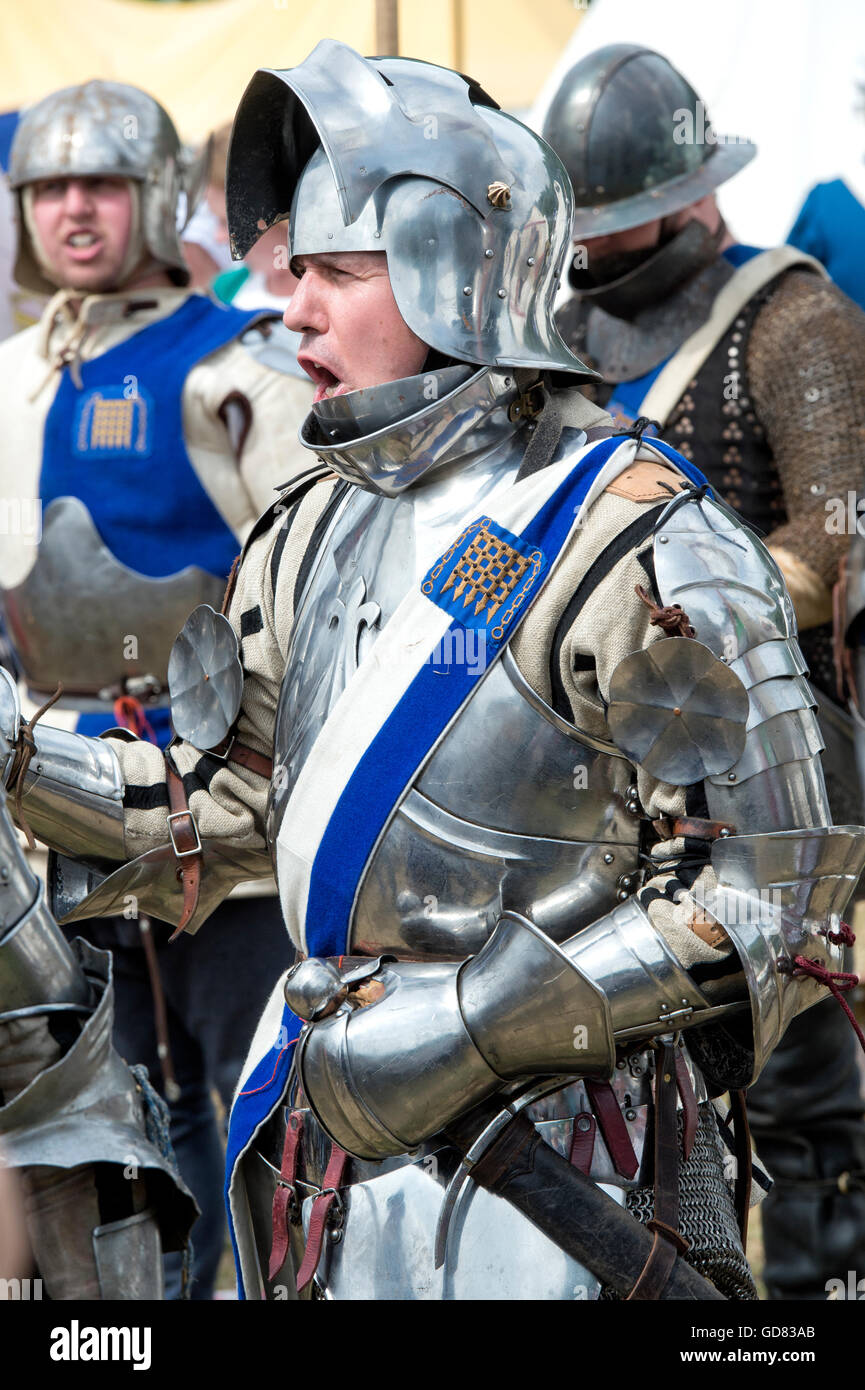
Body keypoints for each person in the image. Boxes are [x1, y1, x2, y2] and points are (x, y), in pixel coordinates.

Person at [1, 40, 862, 1302]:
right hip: (324, 1179)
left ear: (455, 278)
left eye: (337, 275)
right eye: (296, 271)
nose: (289, 306)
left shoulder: (634, 530)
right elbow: (223, 805)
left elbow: (775, 886)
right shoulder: (310, 525)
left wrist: (466, 1030)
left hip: (568, 1178)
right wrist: (20, 756)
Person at [542, 42, 865, 1300]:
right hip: (582, 776)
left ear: (689, 199)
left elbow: (841, 534)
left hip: (761, 769)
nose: (596, 251)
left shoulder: (795, 323)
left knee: (787, 1084)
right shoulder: (554, 337)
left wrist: (663, 615)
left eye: (619, 224)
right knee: (626, 1101)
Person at [0, 80, 313, 1298]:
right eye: (49, 189)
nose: (74, 211)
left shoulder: (236, 363)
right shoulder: (17, 371)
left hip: (213, 794)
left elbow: (315, 565)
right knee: (92, 1103)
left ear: (156, 198)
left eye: (102, 186)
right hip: (51, 799)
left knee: (242, 1086)